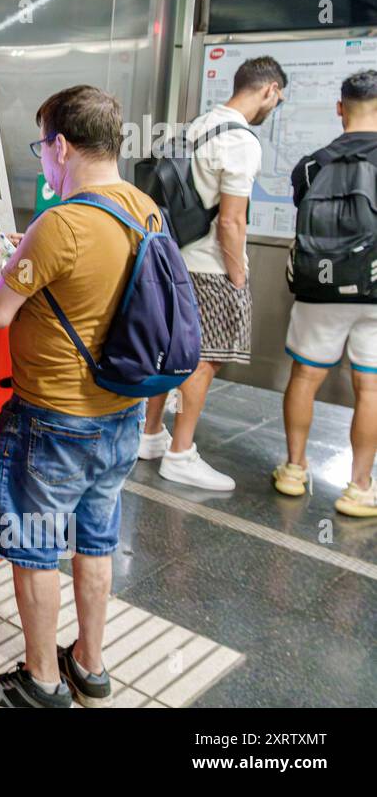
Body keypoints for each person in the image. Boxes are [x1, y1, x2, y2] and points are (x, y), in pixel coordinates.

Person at [0, 85, 161, 708]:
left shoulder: (63, 223)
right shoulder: (143, 208)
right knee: (97, 539)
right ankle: (91, 667)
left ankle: (41, 681)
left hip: (53, 422)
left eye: (43, 147)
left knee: (34, 548)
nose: (45, 161)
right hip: (121, 416)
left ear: (63, 145)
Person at [140, 56, 288, 490]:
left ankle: (149, 434)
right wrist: (238, 275)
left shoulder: (200, 125)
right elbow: (230, 220)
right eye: (276, 100)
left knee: (171, 351)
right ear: (270, 90)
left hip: (176, 258)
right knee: (206, 359)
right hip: (210, 267)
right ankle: (181, 452)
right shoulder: (242, 141)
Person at [272, 69, 377, 518]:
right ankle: (359, 487)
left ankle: (295, 470)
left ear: (340, 108)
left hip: (321, 287)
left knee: (304, 377)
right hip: (375, 290)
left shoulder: (313, 164)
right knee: (370, 388)